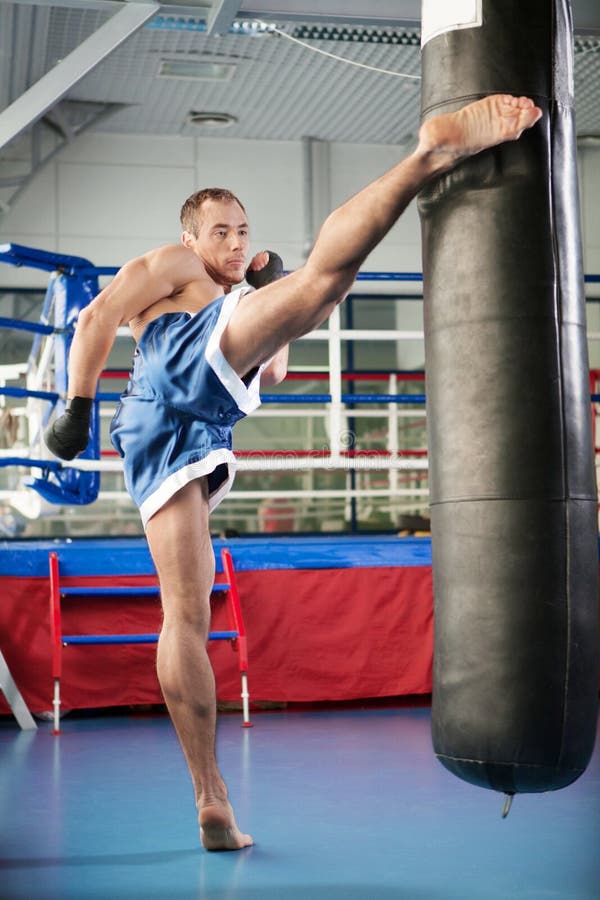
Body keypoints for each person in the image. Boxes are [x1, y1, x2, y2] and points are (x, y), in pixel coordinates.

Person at [44, 94, 543, 851]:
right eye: (221, 230)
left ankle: (212, 800)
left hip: (181, 430)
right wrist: (73, 407)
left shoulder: (232, 293)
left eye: (242, 230)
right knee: (321, 281)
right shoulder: (176, 266)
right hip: (173, 375)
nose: (235, 241)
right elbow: (96, 317)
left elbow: (267, 373)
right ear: (191, 234)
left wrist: (262, 300)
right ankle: (426, 157)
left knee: (186, 612)